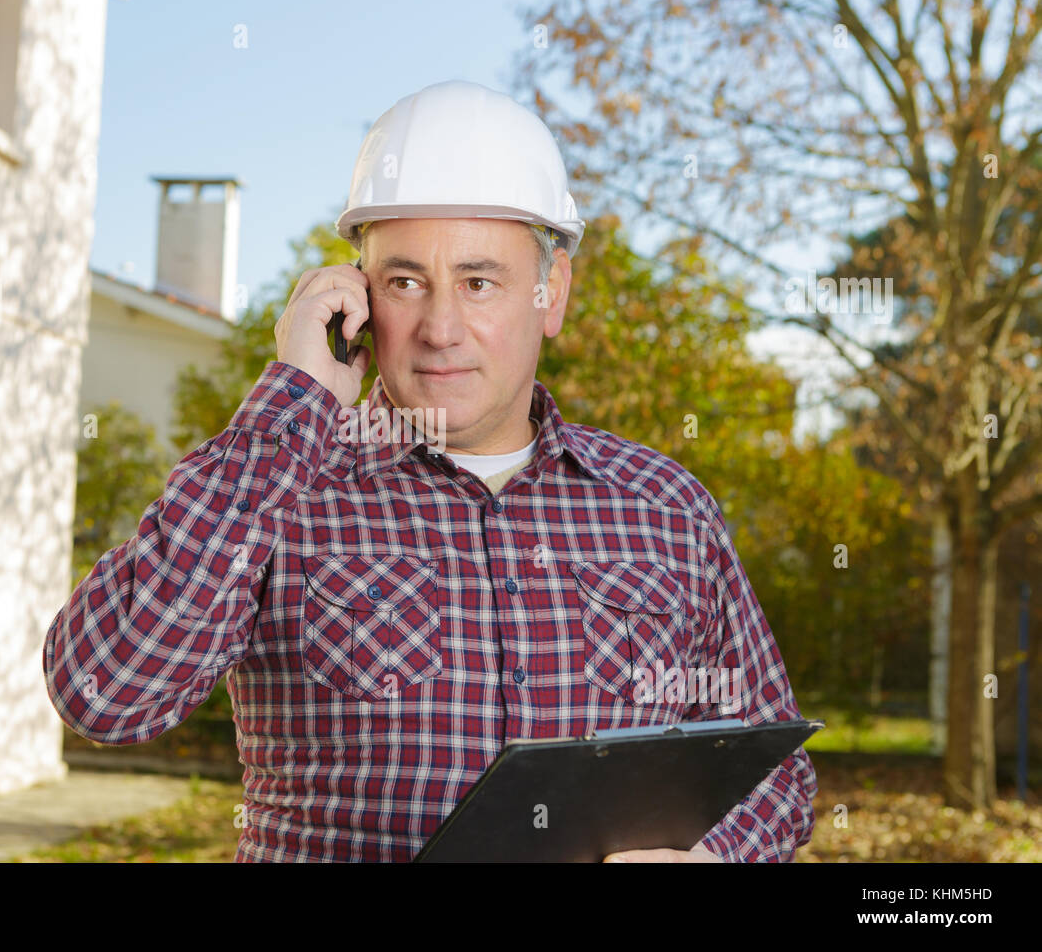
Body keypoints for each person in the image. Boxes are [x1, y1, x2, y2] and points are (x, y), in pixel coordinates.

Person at [43, 80, 817, 862]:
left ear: (552, 295)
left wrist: (716, 858)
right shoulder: (281, 484)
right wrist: (294, 403)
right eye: (405, 282)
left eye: (479, 282)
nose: (440, 329)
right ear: (356, 296)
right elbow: (108, 697)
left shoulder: (665, 505)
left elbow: (772, 767)